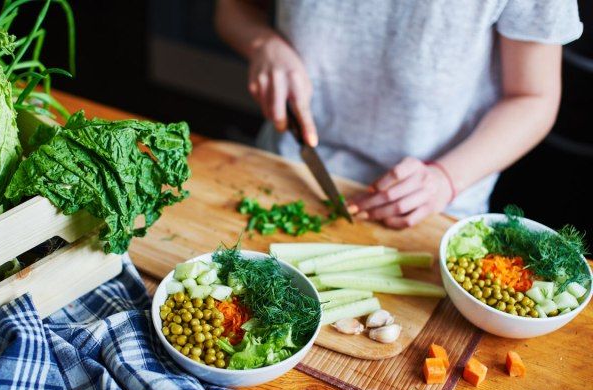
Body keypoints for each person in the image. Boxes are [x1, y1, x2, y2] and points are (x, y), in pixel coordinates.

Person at [215, 1, 582, 227]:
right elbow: (232, 9)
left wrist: (444, 179)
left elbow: (533, 98)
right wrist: (262, 43)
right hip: (282, 173)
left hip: (430, 210)